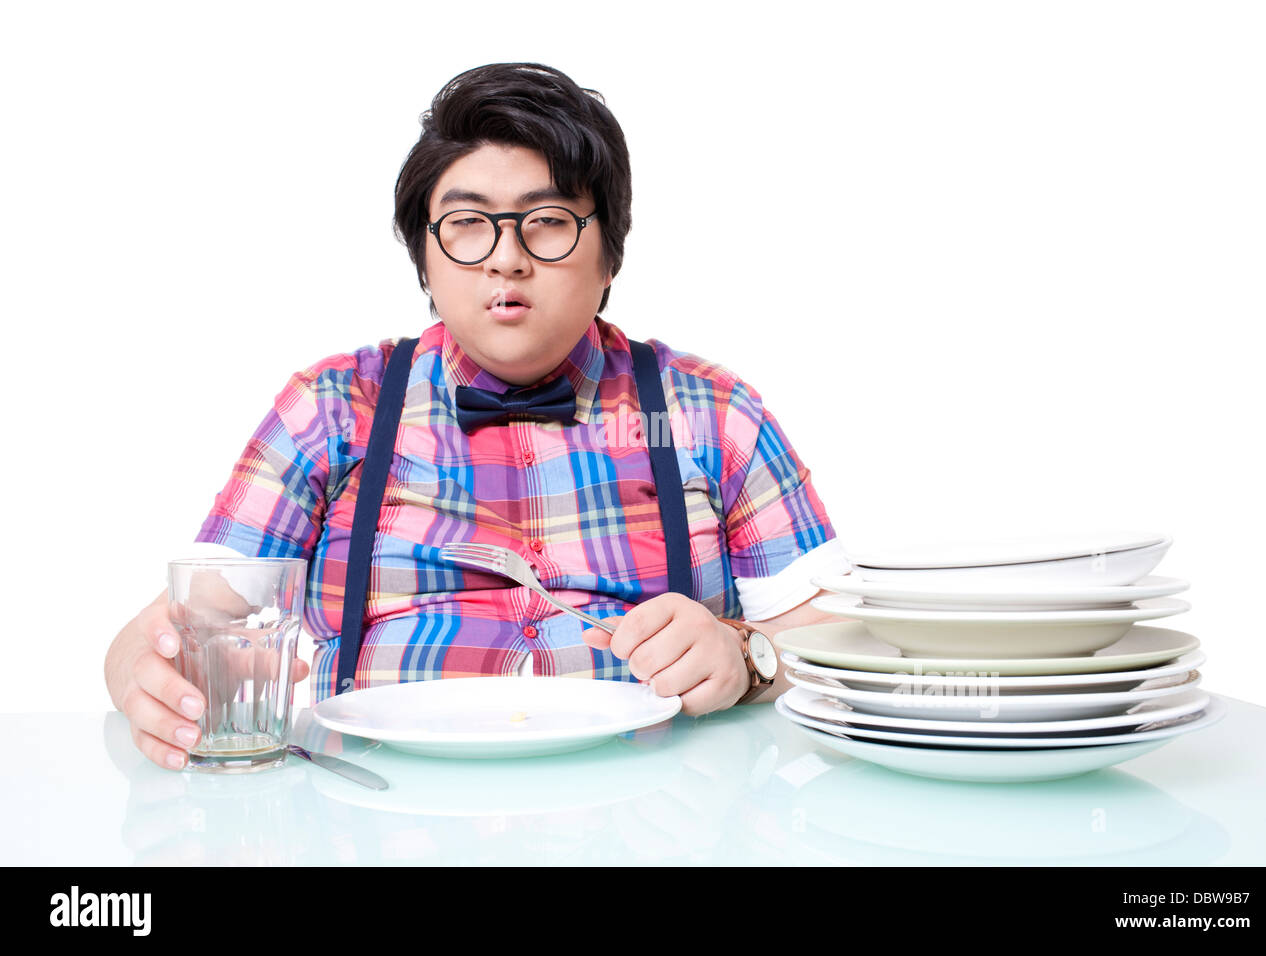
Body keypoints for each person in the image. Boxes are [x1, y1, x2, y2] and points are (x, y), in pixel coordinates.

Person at [105, 62, 849, 772]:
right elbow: (178, 631)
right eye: (466, 223)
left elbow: (843, 639)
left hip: (653, 815)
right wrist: (138, 675)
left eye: (549, 221)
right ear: (425, 260)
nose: (506, 259)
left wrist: (748, 654)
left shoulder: (708, 413)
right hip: (378, 816)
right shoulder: (331, 408)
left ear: (610, 253)